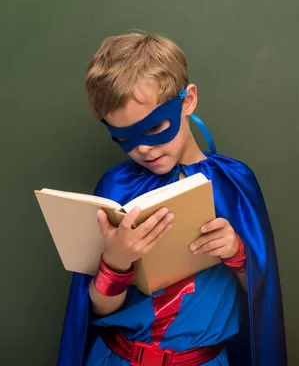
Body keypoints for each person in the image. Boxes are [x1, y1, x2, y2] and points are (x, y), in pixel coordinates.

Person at [56, 33, 287, 366]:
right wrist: (117, 262)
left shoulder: (234, 183)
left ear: (188, 100)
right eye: (124, 137)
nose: (144, 148)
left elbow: (262, 299)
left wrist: (237, 253)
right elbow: (94, 307)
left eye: (155, 127)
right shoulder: (117, 185)